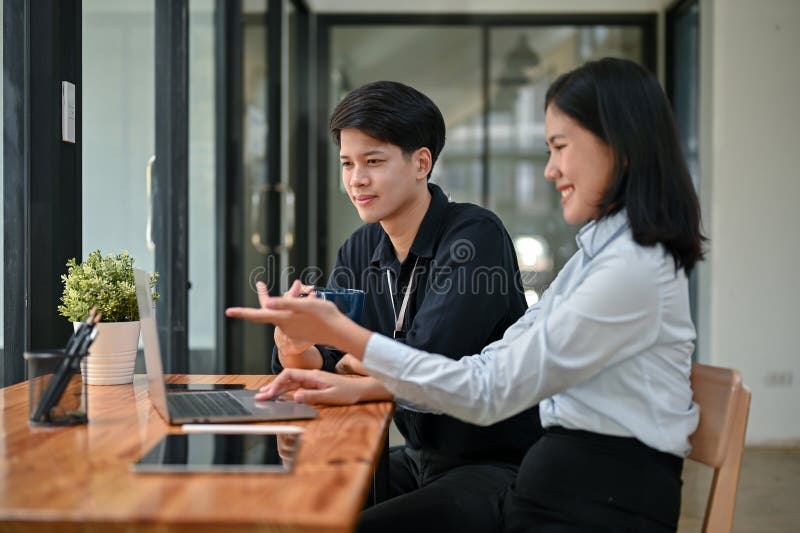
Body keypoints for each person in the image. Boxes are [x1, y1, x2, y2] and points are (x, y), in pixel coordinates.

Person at [228, 57, 705, 532]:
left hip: (547, 481)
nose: (549, 170)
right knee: (299, 506)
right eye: (347, 164)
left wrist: (352, 344)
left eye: (560, 147)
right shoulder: (595, 256)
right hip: (521, 472)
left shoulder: (619, 267)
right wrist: (306, 349)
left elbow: (478, 386)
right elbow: (481, 367)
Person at [270, 80, 543, 530]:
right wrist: (294, 344)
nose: (357, 179)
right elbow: (330, 360)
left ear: (421, 163)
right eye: (347, 163)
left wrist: (351, 361)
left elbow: (425, 362)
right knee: (306, 507)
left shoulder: (474, 238)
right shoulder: (361, 248)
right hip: (419, 457)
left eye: (373, 162)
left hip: (496, 464)